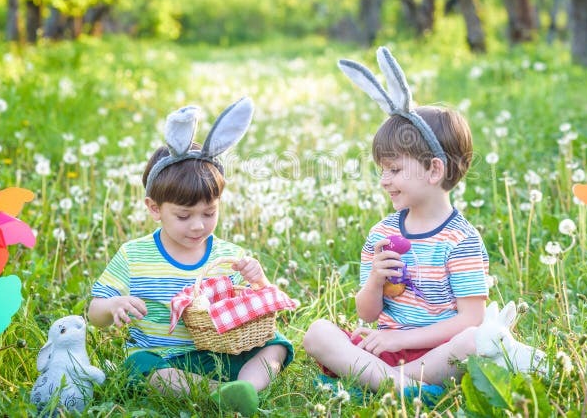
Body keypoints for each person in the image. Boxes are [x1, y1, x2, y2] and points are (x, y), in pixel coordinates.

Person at [303, 48, 489, 401]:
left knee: (475, 343)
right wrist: (374, 280)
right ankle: (408, 390)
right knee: (317, 333)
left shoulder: (461, 240)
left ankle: (382, 384)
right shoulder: (382, 234)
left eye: (395, 169)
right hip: (382, 346)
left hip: (435, 351)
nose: (384, 181)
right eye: (381, 170)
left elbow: (471, 318)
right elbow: (367, 313)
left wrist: (401, 339)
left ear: (435, 170)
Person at [88, 100, 293, 417]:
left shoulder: (228, 256)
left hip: (218, 354)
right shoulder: (134, 255)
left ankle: (246, 389)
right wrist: (114, 306)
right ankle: (220, 394)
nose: (199, 225)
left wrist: (259, 280)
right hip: (164, 359)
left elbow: (257, 309)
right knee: (137, 365)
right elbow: (94, 312)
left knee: (277, 344)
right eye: (184, 216)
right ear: (154, 208)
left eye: (209, 213)